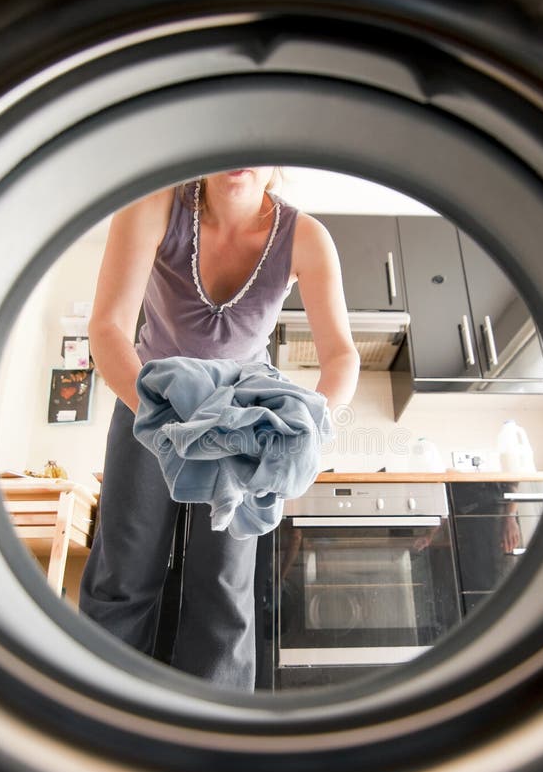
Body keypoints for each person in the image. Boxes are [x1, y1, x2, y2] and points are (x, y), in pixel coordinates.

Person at [79, 167, 359, 691]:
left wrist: (305, 425)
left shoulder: (308, 238)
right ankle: (103, 715)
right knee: (124, 576)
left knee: (224, 590)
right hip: (148, 401)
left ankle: (212, 737)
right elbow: (107, 326)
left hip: (243, 421)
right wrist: (156, 408)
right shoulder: (154, 206)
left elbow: (341, 355)